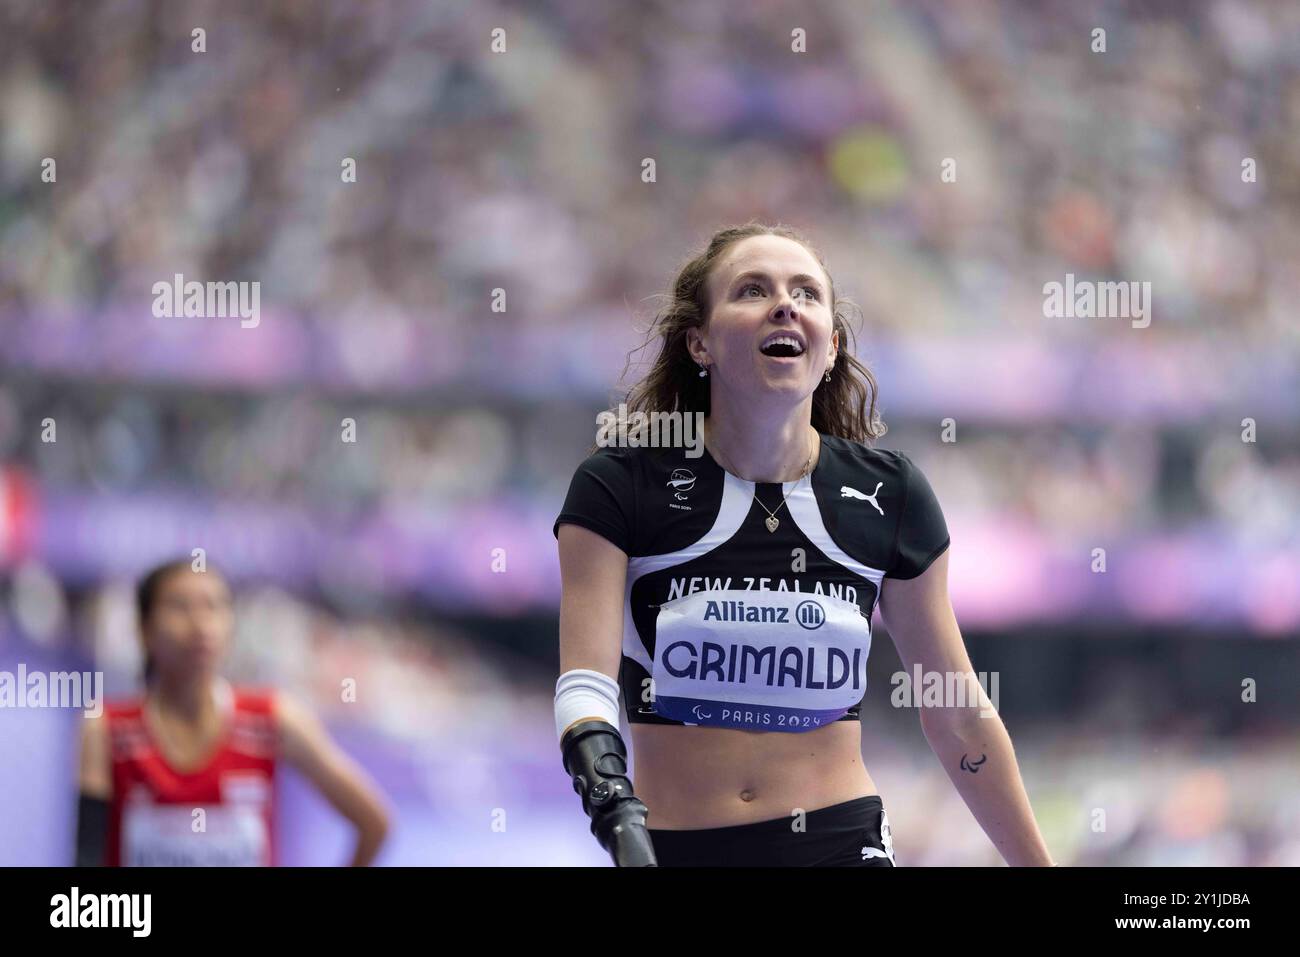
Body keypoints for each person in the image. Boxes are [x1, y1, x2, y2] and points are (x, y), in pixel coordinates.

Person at [553, 223, 1056, 866]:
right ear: (699, 342)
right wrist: (618, 820)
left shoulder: (890, 494)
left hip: (841, 844)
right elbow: (585, 689)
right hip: (667, 847)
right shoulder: (620, 484)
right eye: (753, 290)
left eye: (807, 294)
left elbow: (957, 713)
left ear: (830, 347)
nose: (785, 304)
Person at [76, 558, 391, 866]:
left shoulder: (273, 719)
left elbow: (374, 823)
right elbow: (85, 859)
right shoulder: (105, 728)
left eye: (213, 607)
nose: (200, 625)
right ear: (144, 629)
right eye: (180, 607)